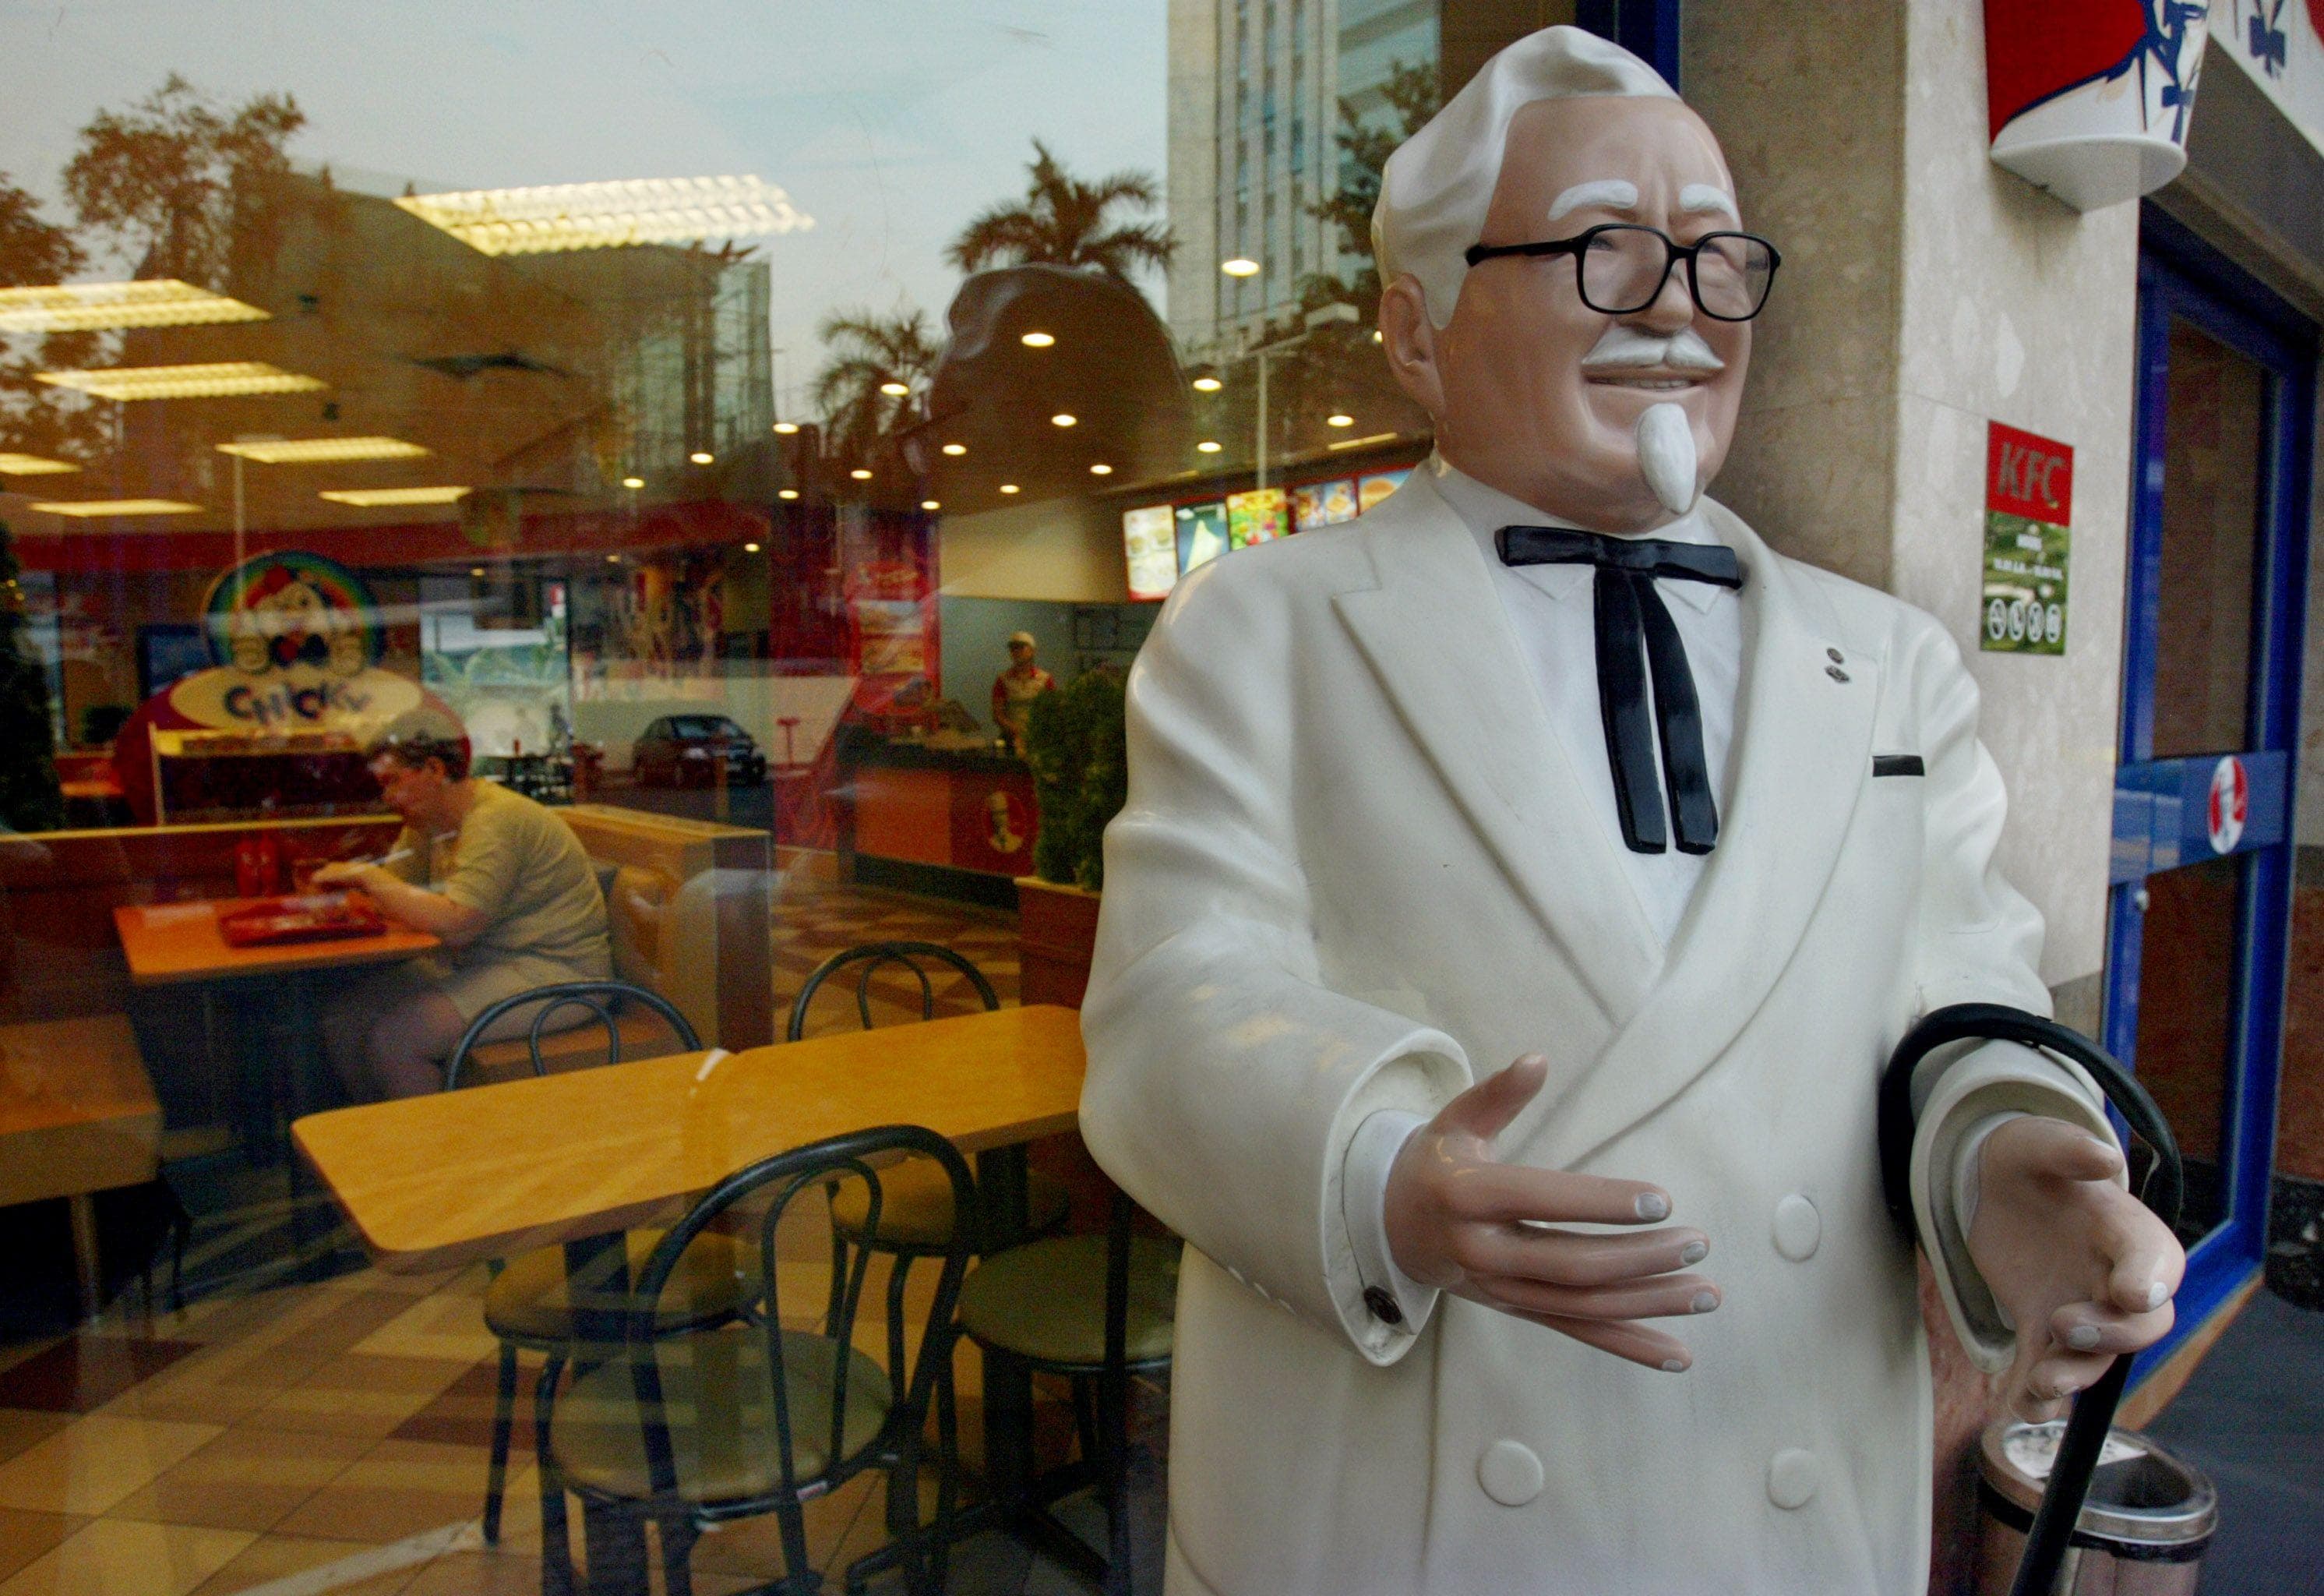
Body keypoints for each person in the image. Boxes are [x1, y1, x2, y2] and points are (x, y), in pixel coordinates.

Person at [1077, 28, 2182, 1596]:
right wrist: (1374, 1173)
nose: (1676, 305)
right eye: (1601, 248)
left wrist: (2018, 1174)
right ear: (1417, 332)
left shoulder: (1891, 663)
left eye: (1714, 257)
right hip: (1401, 1513)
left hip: (1783, 1472)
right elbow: (1172, 1002)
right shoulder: (1263, 628)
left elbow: (1956, 990)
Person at [317, 710, 611, 1100]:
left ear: (434, 770)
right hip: (485, 962)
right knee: (344, 1019)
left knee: (397, 1039)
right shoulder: (430, 824)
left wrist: (369, 878)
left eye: (393, 781)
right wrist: (359, 894)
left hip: (558, 972)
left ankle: (429, 1141)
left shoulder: (496, 819)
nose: (388, 798)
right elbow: (397, 897)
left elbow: (458, 925)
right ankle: (380, 1133)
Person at [990, 630, 1053, 756]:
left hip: (1039, 739)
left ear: (1032, 651)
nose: (1016, 652)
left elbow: (1053, 711)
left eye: (1021, 648)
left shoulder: (1045, 679)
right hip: (1011, 740)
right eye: (1013, 649)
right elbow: (998, 714)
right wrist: (1016, 730)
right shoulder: (1003, 680)